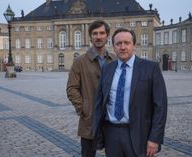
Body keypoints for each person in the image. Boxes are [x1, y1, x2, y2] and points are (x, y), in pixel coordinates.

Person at [93, 28, 167, 157]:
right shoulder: (107, 69)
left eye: (126, 43)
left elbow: (160, 106)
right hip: (111, 134)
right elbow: (99, 104)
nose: (122, 47)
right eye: (118, 43)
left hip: (139, 134)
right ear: (113, 46)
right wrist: (99, 134)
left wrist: (155, 138)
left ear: (134, 45)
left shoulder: (151, 68)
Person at [66, 20, 116, 157]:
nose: (98, 37)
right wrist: (83, 108)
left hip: (112, 118)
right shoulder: (79, 61)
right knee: (88, 154)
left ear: (107, 36)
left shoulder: (115, 59)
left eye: (101, 33)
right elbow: (71, 88)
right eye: (95, 33)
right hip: (89, 119)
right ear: (90, 37)